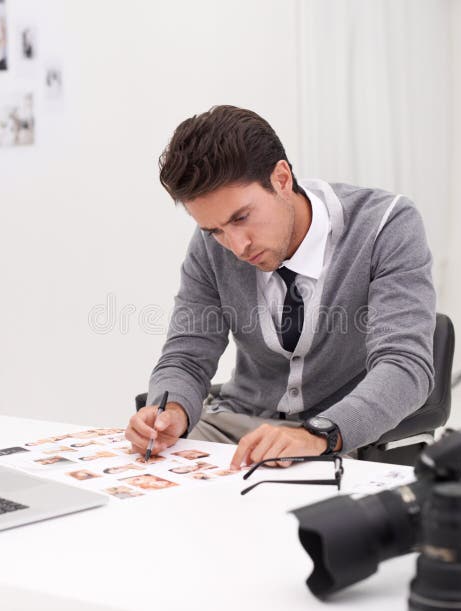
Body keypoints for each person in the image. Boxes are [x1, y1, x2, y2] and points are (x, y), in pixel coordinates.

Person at [125, 106, 435, 470]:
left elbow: (404, 366)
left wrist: (317, 435)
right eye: (217, 230)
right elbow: (187, 356)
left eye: (241, 218)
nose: (237, 245)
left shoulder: (385, 225)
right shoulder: (211, 243)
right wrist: (171, 409)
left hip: (338, 435)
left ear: (282, 178)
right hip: (236, 427)